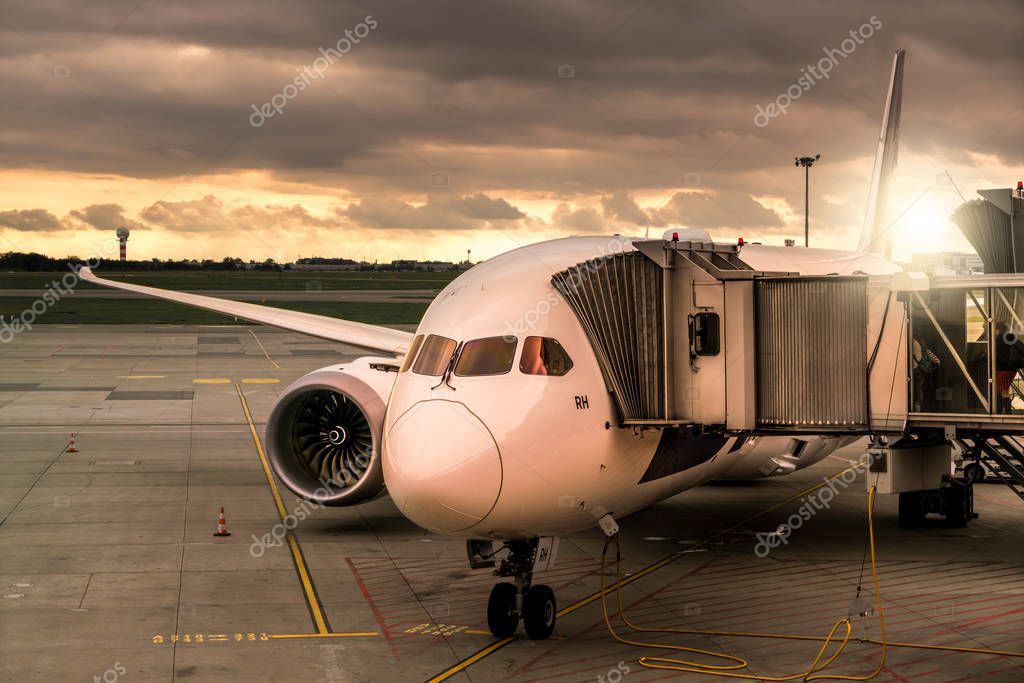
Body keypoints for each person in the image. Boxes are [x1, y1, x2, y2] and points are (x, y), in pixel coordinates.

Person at [994, 322, 1024, 413]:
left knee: (998, 391)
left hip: (1001, 370)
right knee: (1005, 391)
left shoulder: (998, 339)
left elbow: (997, 356)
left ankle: (1000, 412)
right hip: (1012, 370)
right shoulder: (1011, 337)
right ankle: (1007, 411)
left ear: (997, 329)